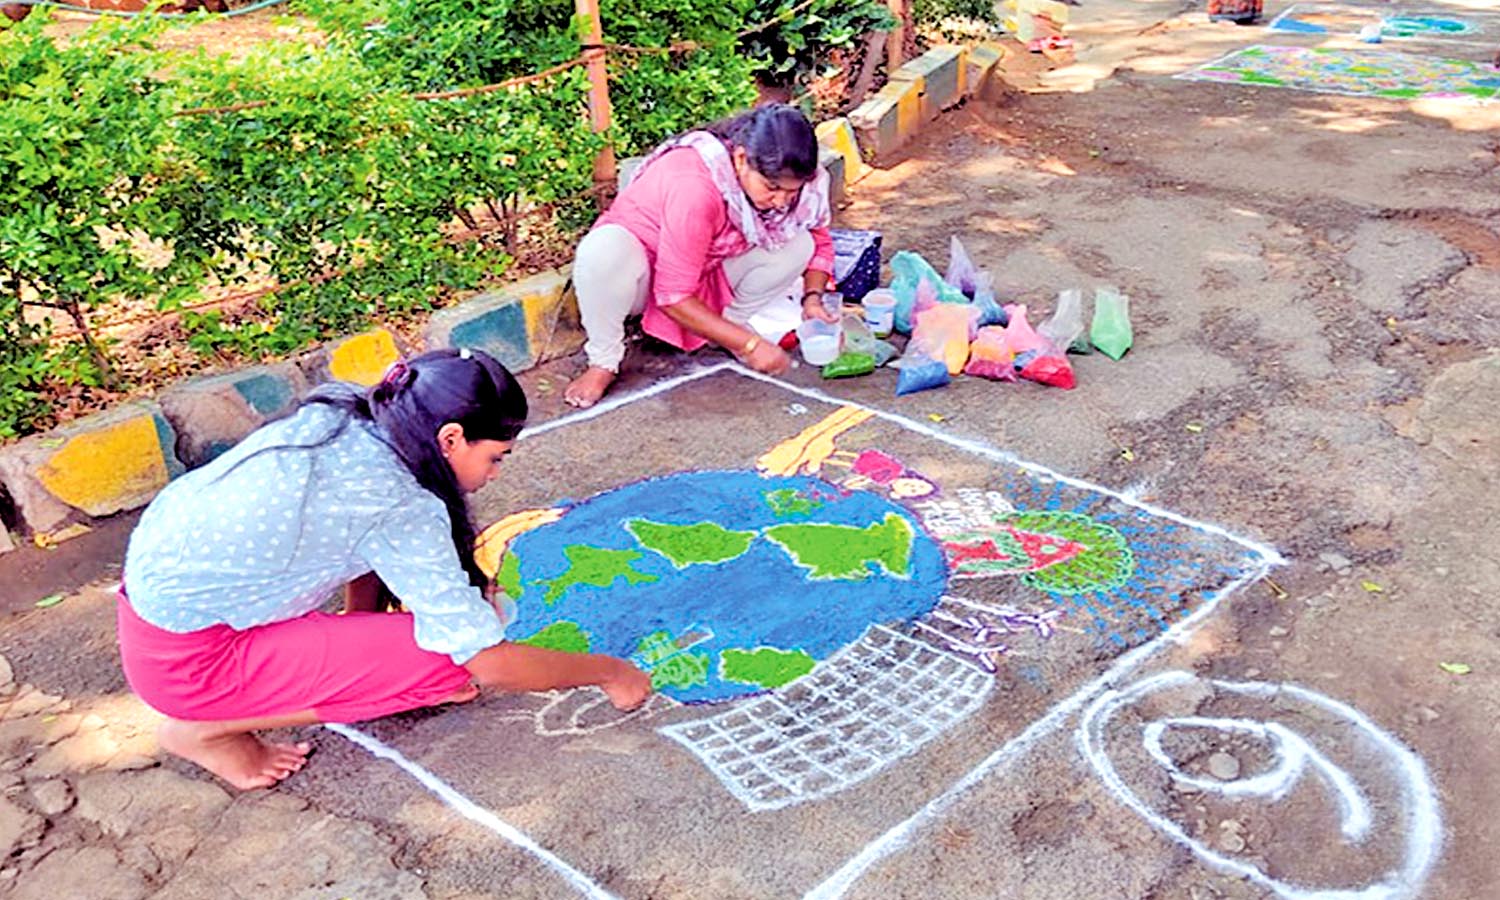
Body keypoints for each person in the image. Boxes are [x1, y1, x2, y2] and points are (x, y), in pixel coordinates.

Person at [118, 348, 652, 790]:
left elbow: (354, 535)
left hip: (162, 615)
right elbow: (487, 664)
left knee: (450, 633)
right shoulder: (399, 503)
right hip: (190, 665)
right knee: (453, 665)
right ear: (449, 438)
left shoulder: (353, 413)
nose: (493, 474)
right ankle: (203, 729)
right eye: (495, 457)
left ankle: (325, 656)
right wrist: (612, 672)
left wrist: (363, 626)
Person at [563, 103, 841, 409]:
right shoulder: (696, 185)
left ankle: (727, 327)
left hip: (705, 270)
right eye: (772, 187)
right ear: (740, 159)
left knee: (799, 244)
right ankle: (604, 361)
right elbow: (672, 294)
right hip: (643, 274)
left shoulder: (807, 183)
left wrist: (811, 299)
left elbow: (818, 239)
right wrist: (751, 345)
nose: (780, 202)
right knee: (603, 250)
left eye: (791, 192)